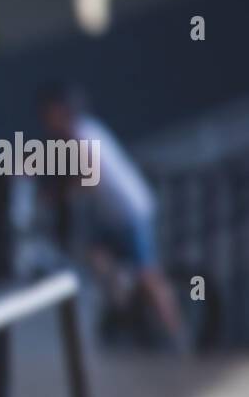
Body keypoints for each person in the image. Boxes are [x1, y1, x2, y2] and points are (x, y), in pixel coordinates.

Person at [37, 82, 186, 349]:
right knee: (94, 253)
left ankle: (175, 332)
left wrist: (60, 194)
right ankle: (124, 302)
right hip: (113, 214)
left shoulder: (81, 135)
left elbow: (87, 177)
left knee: (148, 274)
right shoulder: (83, 131)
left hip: (129, 210)